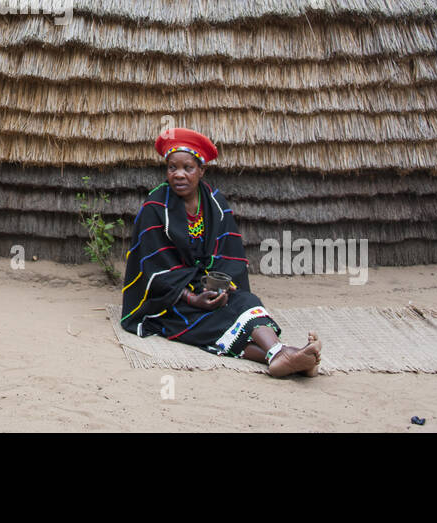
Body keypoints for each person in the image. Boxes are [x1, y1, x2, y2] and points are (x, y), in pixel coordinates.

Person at [121, 127, 322, 377]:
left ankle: (279, 356)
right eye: (173, 168)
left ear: (202, 171)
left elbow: (231, 255)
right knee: (208, 320)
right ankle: (287, 354)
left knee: (246, 302)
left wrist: (221, 288)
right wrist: (191, 297)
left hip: (209, 288)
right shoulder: (155, 208)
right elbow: (151, 268)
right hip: (169, 299)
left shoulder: (215, 204)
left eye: (188, 168)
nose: (179, 175)